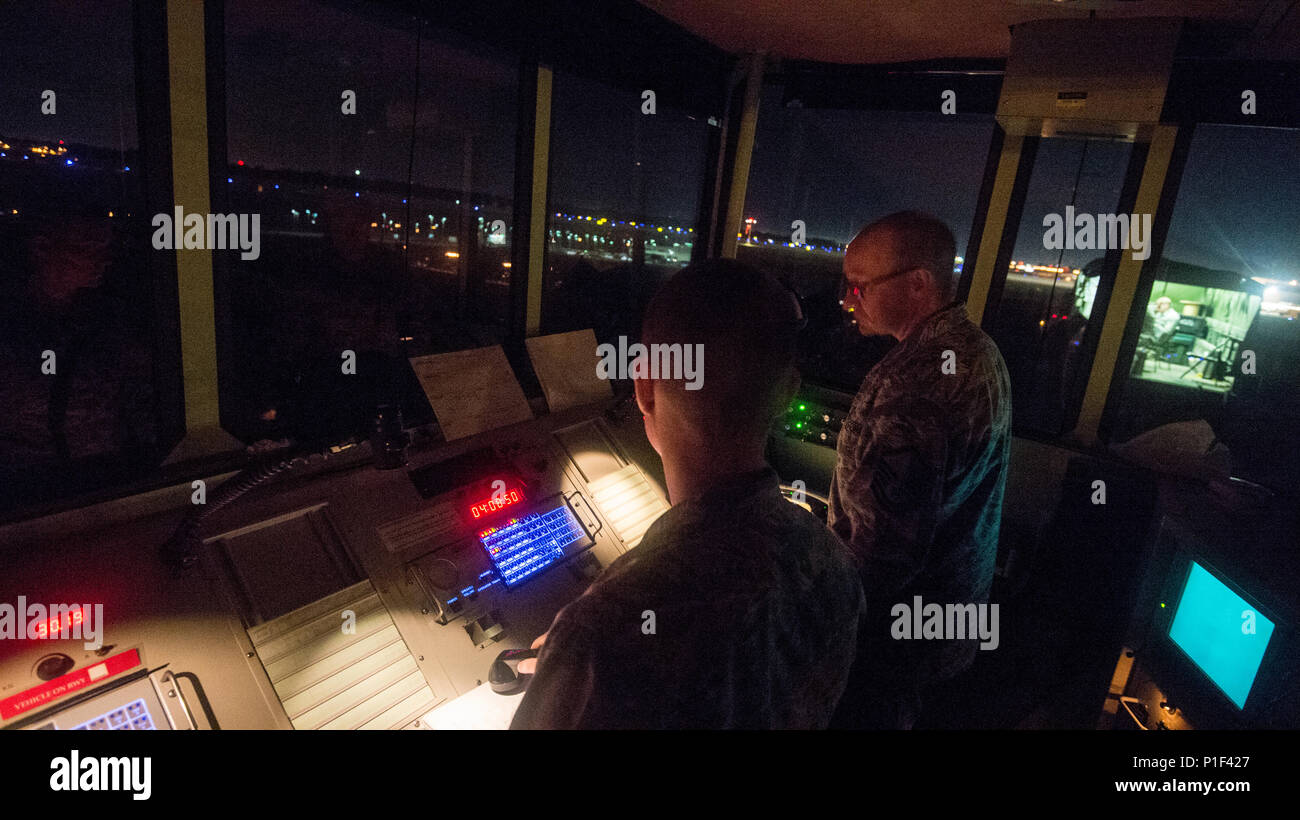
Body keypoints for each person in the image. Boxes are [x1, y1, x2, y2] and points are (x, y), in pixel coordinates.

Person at [509, 259, 866, 729]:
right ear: (787, 393)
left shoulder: (603, 633)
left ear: (644, 390)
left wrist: (570, 663)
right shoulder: (836, 565)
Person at [827, 211, 1012, 729]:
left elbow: (883, 555)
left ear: (918, 284)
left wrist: (806, 602)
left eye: (862, 286)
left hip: (893, 650)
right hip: (946, 633)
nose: (849, 300)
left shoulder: (915, 382)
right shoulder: (977, 349)